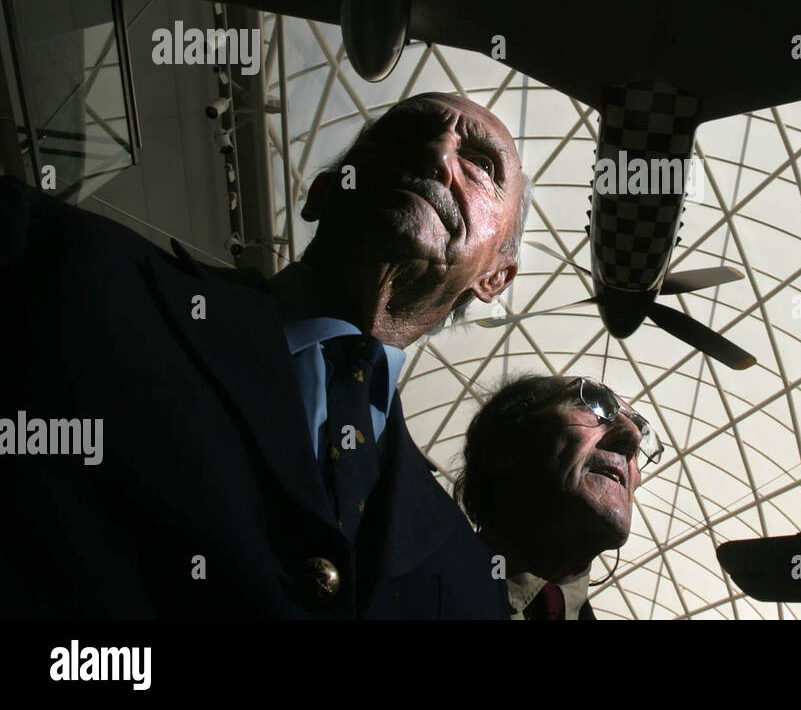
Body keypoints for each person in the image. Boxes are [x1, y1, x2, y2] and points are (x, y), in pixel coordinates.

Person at [0, 92, 528, 618]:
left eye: (481, 164)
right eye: (407, 133)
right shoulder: (51, 262)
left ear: (495, 277)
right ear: (321, 192)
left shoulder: (470, 582)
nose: (437, 153)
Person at [454, 373, 662, 619]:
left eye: (643, 433)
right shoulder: (417, 576)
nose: (633, 437)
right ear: (501, 445)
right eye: (593, 402)